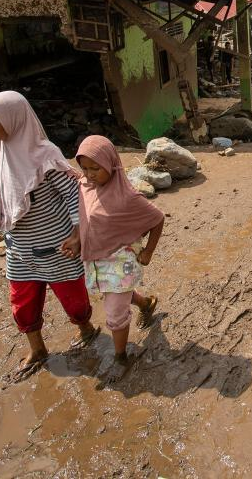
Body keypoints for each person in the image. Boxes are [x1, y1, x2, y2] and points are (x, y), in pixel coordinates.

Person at [0, 91, 98, 380]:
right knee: (22, 303)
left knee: (74, 299)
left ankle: (86, 329)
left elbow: (74, 195)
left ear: (14, 119)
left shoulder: (45, 155)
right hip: (19, 247)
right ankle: (37, 349)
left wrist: (77, 234)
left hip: (57, 247)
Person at [72, 136, 165, 377]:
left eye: (95, 168)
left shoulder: (128, 197)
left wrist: (148, 252)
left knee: (114, 313)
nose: (89, 174)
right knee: (116, 294)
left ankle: (121, 356)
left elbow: (157, 218)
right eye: (85, 168)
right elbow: (85, 220)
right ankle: (146, 303)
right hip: (96, 258)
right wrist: (77, 241)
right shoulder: (85, 187)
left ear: (112, 165)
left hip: (120, 261)